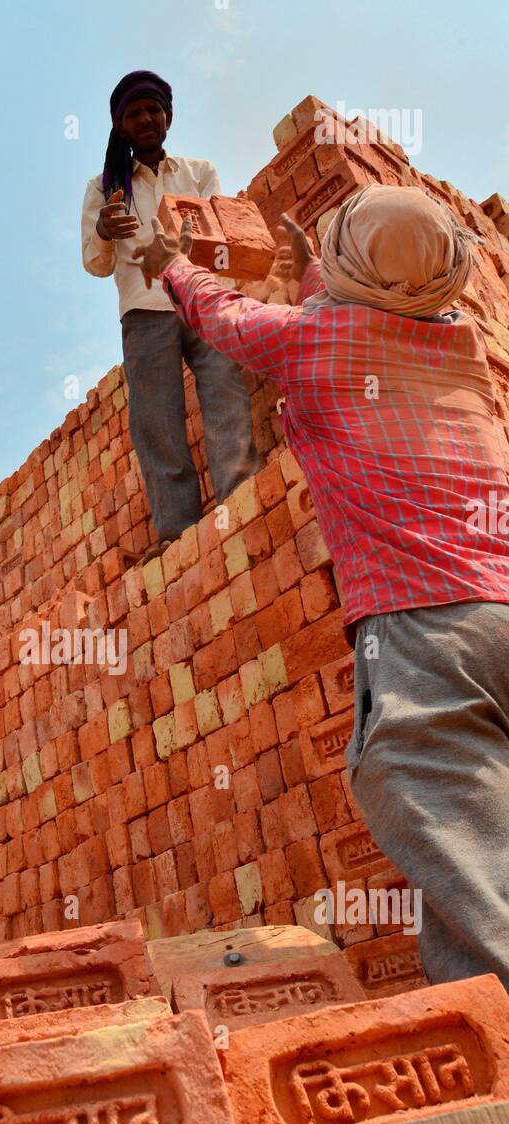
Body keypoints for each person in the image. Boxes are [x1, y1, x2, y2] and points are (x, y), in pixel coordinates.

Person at [134, 184, 509, 990]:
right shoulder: (463, 343)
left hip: (423, 621)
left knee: (451, 838)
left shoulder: (315, 342)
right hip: (500, 605)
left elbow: (228, 322)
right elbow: (368, 322)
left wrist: (170, 265)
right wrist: (312, 278)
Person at [81, 69, 260, 563]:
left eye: (153, 110)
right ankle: (178, 531)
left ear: (169, 117)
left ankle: (239, 500)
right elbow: (94, 264)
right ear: (120, 126)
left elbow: (220, 234)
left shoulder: (199, 172)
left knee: (225, 390)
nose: (145, 119)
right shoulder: (103, 188)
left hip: (203, 296)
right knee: (156, 420)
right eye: (134, 113)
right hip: (145, 310)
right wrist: (104, 229)